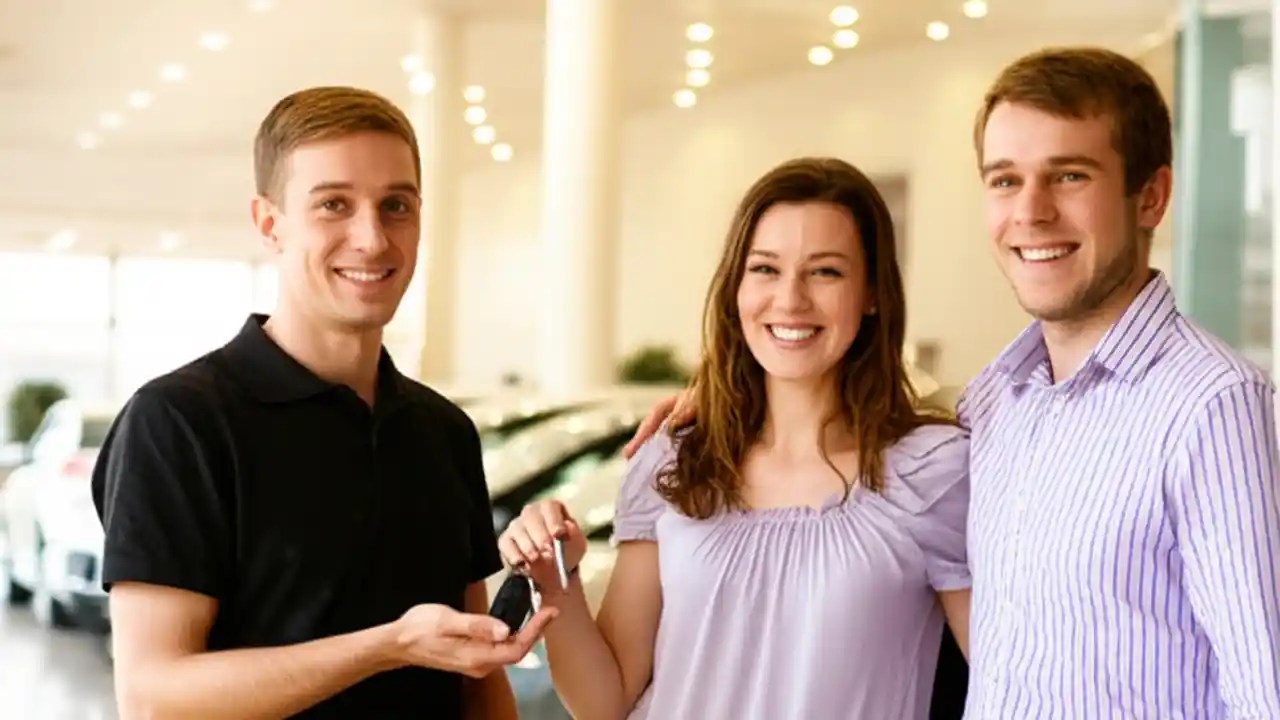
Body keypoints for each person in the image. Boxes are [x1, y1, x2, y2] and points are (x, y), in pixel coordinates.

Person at [628, 46, 1280, 717]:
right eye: (1005, 180)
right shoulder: (995, 403)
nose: (1031, 212)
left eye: (1069, 176)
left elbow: (1266, 690)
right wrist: (733, 397)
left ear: (1152, 197)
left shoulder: (1213, 405)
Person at [90, 86, 554, 720]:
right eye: (333, 204)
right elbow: (153, 698)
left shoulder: (443, 431)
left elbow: (476, 681)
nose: (372, 238)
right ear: (269, 223)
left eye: (397, 206)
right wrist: (387, 647)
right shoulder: (179, 422)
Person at [498, 157, 973, 719]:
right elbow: (605, 701)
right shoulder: (677, 460)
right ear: (736, 287)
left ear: (872, 292)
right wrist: (558, 579)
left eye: (826, 272)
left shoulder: (935, 471)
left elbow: (1012, 685)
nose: (790, 299)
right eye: (765, 269)